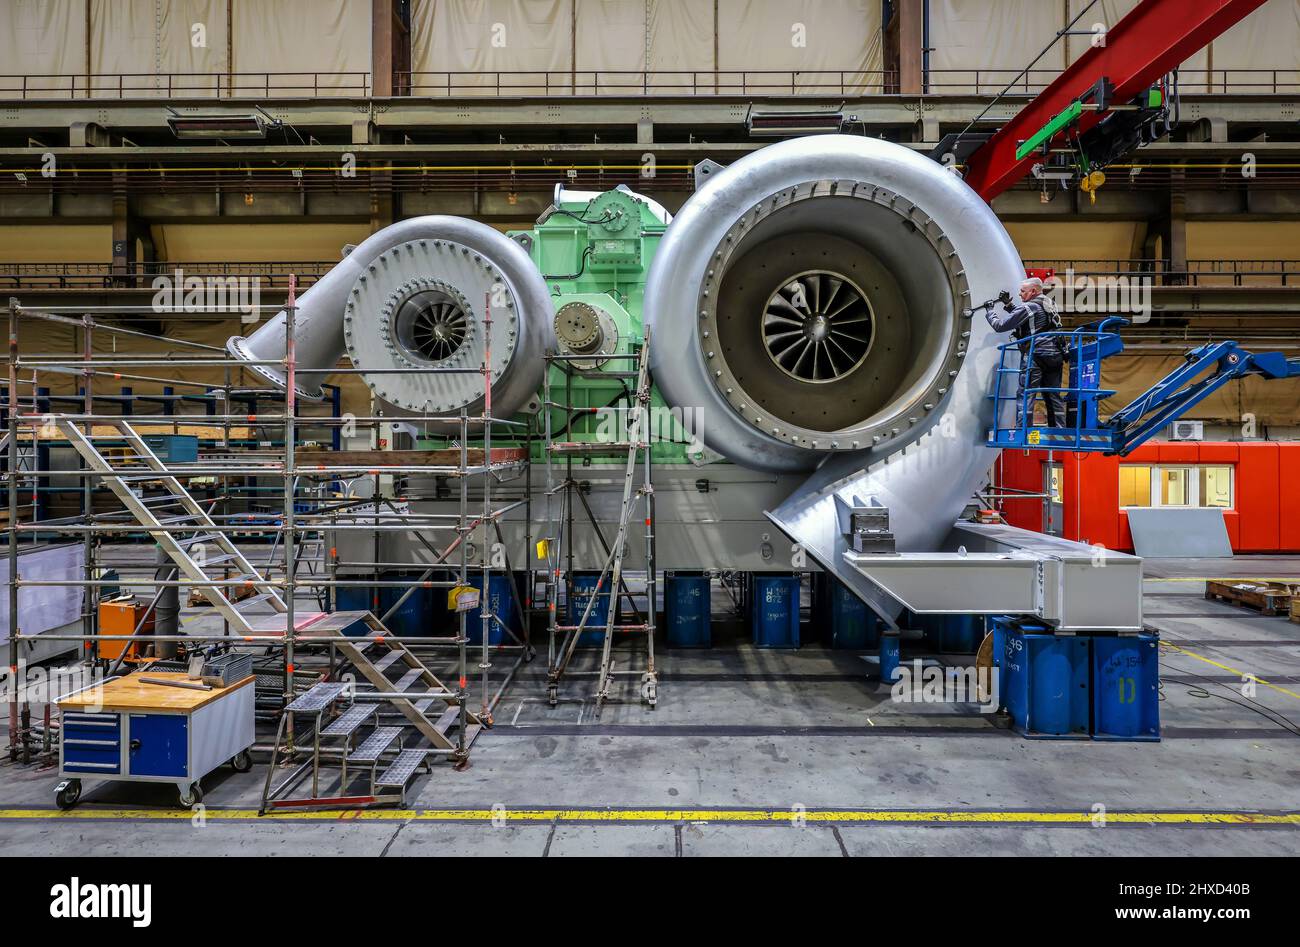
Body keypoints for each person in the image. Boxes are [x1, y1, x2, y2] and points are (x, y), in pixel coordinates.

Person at [985, 277, 1067, 428]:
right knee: (1052, 394)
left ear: (1033, 291)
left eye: (1023, 291)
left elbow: (1000, 325)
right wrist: (1009, 305)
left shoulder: (1028, 307)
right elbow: (1030, 318)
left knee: (1026, 393)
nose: (1020, 294)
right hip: (1055, 355)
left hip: (1035, 355)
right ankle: (1059, 429)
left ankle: (1023, 430)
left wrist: (990, 311)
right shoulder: (1049, 304)